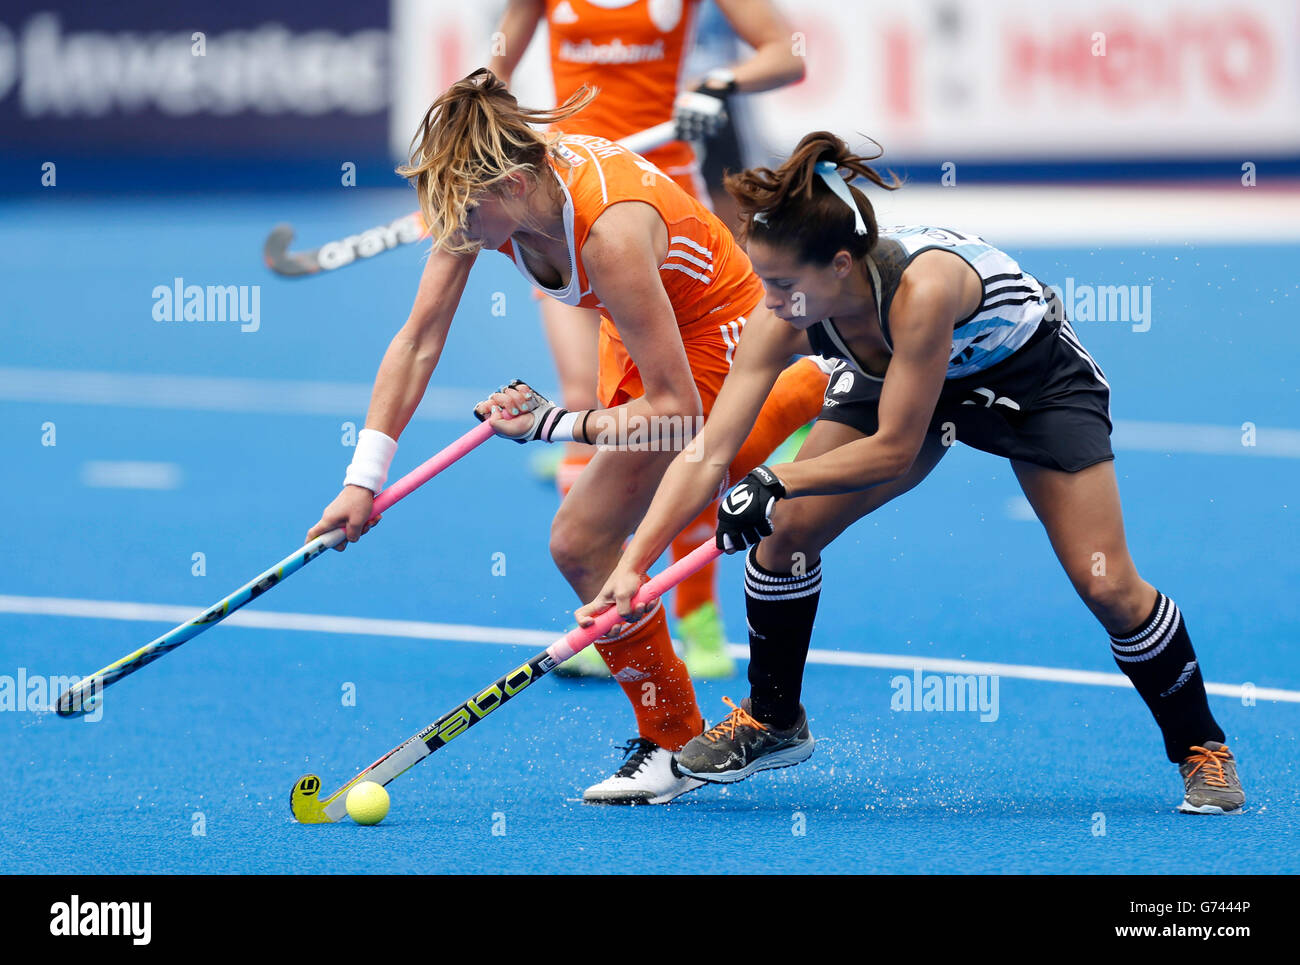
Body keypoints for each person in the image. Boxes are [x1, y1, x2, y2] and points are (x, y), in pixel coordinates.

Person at [577, 131, 1247, 815]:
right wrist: (634, 563)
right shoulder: (788, 310)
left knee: (1106, 584)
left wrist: (777, 481)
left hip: (1027, 382)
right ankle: (773, 719)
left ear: (840, 265)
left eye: (780, 284)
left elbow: (897, 449)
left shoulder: (921, 291)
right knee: (785, 538)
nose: (767, 300)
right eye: (762, 280)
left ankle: (1202, 746)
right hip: (889, 370)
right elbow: (710, 450)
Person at [306, 70, 827, 805]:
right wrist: (365, 477)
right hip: (643, 327)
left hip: (721, 332)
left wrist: (551, 423)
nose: (451, 227)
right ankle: (678, 736)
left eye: (465, 210)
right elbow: (419, 339)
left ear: (516, 185)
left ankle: (808, 382)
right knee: (589, 538)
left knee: (591, 531)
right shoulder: (487, 197)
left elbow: (674, 409)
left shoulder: (609, 231)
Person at [486, 0, 817, 680]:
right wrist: (464, 168)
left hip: (646, 207)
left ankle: (696, 615)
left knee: (670, 431)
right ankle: (620, 612)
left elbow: (787, 51)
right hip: (553, 208)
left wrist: (720, 83)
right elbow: (490, 78)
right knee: (596, 404)